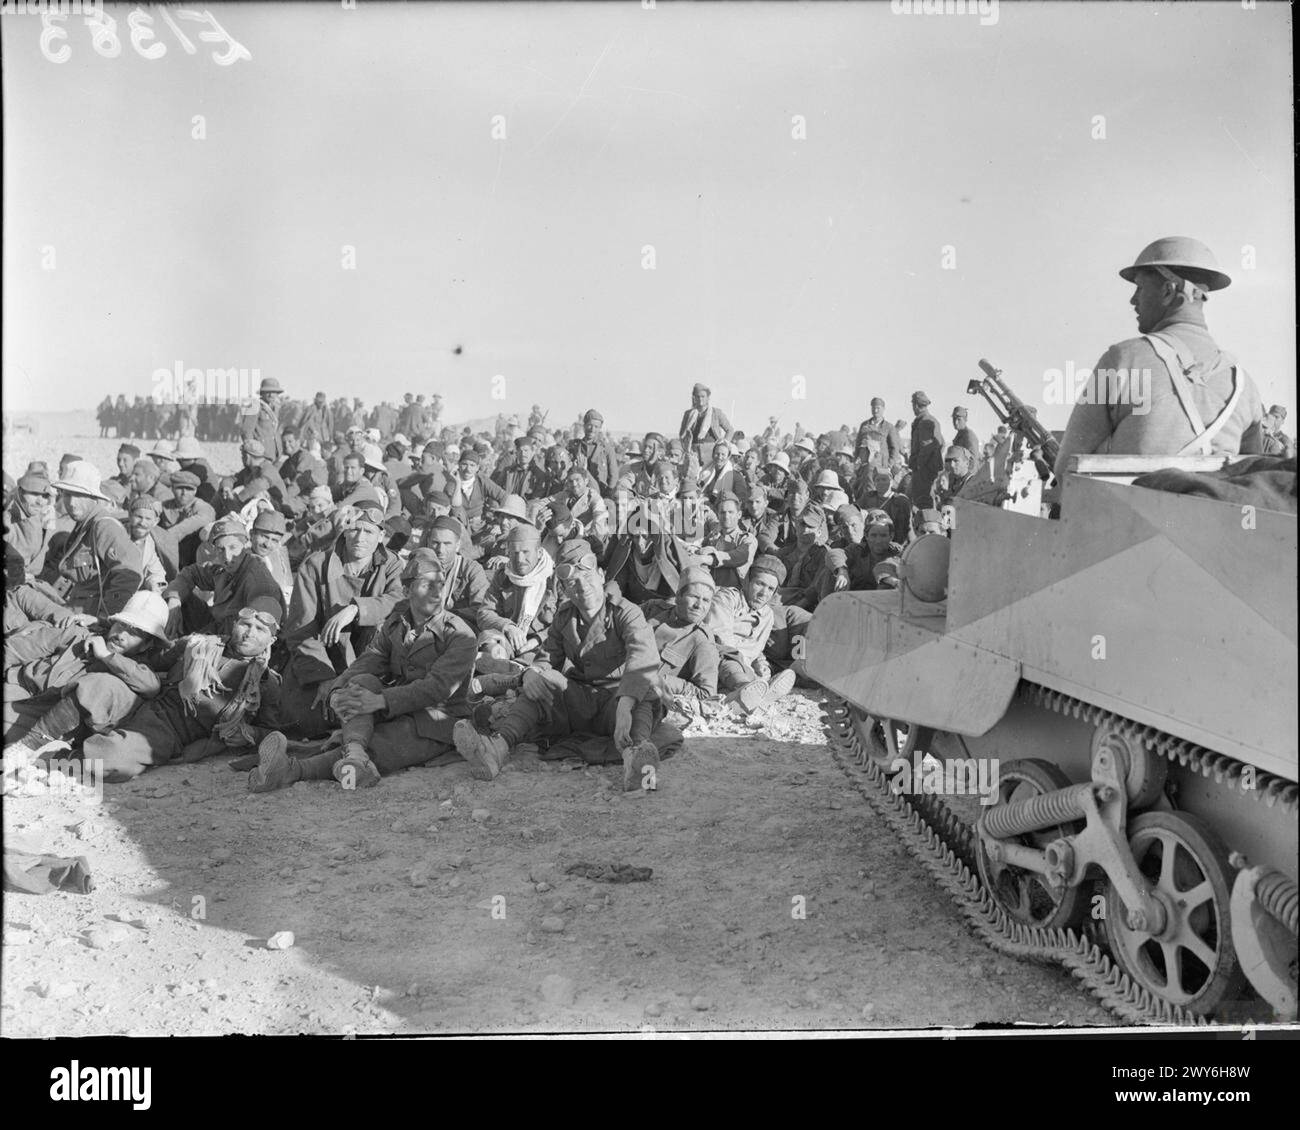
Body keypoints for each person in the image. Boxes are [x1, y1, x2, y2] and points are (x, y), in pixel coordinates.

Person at [248, 549, 477, 792]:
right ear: (408, 591)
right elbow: (370, 659)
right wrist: (338, 688)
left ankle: (291, 771)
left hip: (437, 721)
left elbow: (437, 689)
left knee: (379, 741)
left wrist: (379, 701)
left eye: (440, 584)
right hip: (398, 709)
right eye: (427, 585)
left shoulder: (460, 634)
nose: (437, 592)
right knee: (363, 681)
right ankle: (355, 754)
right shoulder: (396, 623)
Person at [451, 539, 669, 790]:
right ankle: (497, 748)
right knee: (542, 682)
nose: (581, 587)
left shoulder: (625, 612)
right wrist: (533, 673)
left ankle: (638, 761)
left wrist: (625, 704)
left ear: (600, 576)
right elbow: (547, 657)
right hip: (582, 699)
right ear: (564, 588)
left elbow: (643, 658)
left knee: (645, 693)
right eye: (572, 582)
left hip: (619, 698)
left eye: (586, 577)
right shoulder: (565, 616)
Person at [1055, 237, 1265, 478]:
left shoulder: (1122, 360)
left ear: (1168, 291)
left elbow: (1066, 472)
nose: (1133, 300)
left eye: (1140, 288)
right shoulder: (1244, 385)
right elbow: (1251, 477)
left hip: (1126, 514)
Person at [80, 597, 286, 782]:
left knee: (114, 758)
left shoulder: (265, 682)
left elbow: (270, 731)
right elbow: (149, 656)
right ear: (235, 624)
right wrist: (105, 635)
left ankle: (68, 758)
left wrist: (250, 733)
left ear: (272, 640)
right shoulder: (197, 644)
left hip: (171, 731)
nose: (249, 633)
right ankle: (54, 734)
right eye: (246, 624)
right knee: (95, 686)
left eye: (260, 630)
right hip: (144, 703)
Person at [3, 591, 173, 769]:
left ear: (146, 645)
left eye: (134, 633)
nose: (122, 634)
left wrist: (107, 656)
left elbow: (151, 686)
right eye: (121, 625)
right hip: (21, 693)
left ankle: (34, 749)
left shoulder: (133, 670)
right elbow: (17, 650)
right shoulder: (78, 635)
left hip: (54, 723)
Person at [39, 461, 141, 618]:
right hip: (71, 608)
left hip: (87, 617)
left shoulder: (104, 526)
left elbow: (130, 574)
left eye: (79, 495)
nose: (72, 503)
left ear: (93, 497)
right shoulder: (84, 524)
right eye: (67, 495)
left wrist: (103, 619)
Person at [703, 554, 797, 713]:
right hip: (716, 659)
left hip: (741, 667)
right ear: (746, 581)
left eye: (770, 589)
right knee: (728, 660)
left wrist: (760, 664)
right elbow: (721, 641)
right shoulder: (727, 599)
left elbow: (756, 648)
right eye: (760, 584)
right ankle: (746, 689)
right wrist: (746, 668)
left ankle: (753, 694)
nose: (763, 593)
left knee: (757, 675)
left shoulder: (767, 615)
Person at [162, 515, 285, 636]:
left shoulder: (257, 578)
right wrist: (174, 600)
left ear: (245, 545)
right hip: (217, 624)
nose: (227, 556)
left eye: (233, 547)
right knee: (169, 597)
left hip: (237, 637)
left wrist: (195, 639)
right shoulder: (226, 567)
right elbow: (191, 572)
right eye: (221, 549)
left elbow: (256, 629)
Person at [475, 522, 558, 675]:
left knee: (534, 668)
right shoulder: (503, 575)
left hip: (543, 645)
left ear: (539, 552)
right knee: (491, 645)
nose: (519, 559)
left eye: (526, 552)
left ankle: (512, 677)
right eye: (514, 553)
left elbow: (565, 623)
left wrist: (537, 640)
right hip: (508, 640)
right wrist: (508, 626)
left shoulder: (555, 579)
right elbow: (484, 613)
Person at [641, 566, 721, 711]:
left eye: (706, 601)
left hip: (644, 695)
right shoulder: (653, 608)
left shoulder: (701, 639)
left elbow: (707, 694)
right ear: (678, 596)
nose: (699, 606)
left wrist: (662, 680)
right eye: (694, 597)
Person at [699, 490, 756, 590]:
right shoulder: (714, 535)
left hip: (733, 593)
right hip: (709, 589)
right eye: (722, 512)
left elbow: (739, 556)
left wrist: (709, 557)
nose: (726, 516)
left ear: (739, 515)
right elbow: (701, 547)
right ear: (718, 514)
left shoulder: (747, 539)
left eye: (730, 512)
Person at [569, 410, 620, 497]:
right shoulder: (575, 447)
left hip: (601, 494)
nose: (592, 429)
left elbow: (613, 476)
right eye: (589, 425)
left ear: (600, 428)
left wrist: (608, 496)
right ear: (584, 426)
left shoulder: (607, 449)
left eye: (596, 427)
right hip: (578, 493)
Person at [908, 392, 946, 508]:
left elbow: (926, 447)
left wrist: (919, 466)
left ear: (915, 405)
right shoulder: (930, 420)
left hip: (924, 472)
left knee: (922, 502)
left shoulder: (924, 422)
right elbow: (942, 444)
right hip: (929, 470)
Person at [239, 376, 287, 463]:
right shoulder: (254, 406)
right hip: (261, 454)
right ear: (262, 393)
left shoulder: (275, 408)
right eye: (267, 392)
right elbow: (246, 431)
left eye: (274, 392)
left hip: (274, 452)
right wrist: (252, 452)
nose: (271, 395)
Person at [679, 382, 733, 454]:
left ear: (708, 398)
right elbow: (682, 434)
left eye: (703, 396)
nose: (700, 399)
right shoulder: (688, 414)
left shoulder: (716, 413)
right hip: (693, 450)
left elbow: (730, 430)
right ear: (694, 398)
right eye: (697, 396)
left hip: (711, 450)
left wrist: (723, 445)